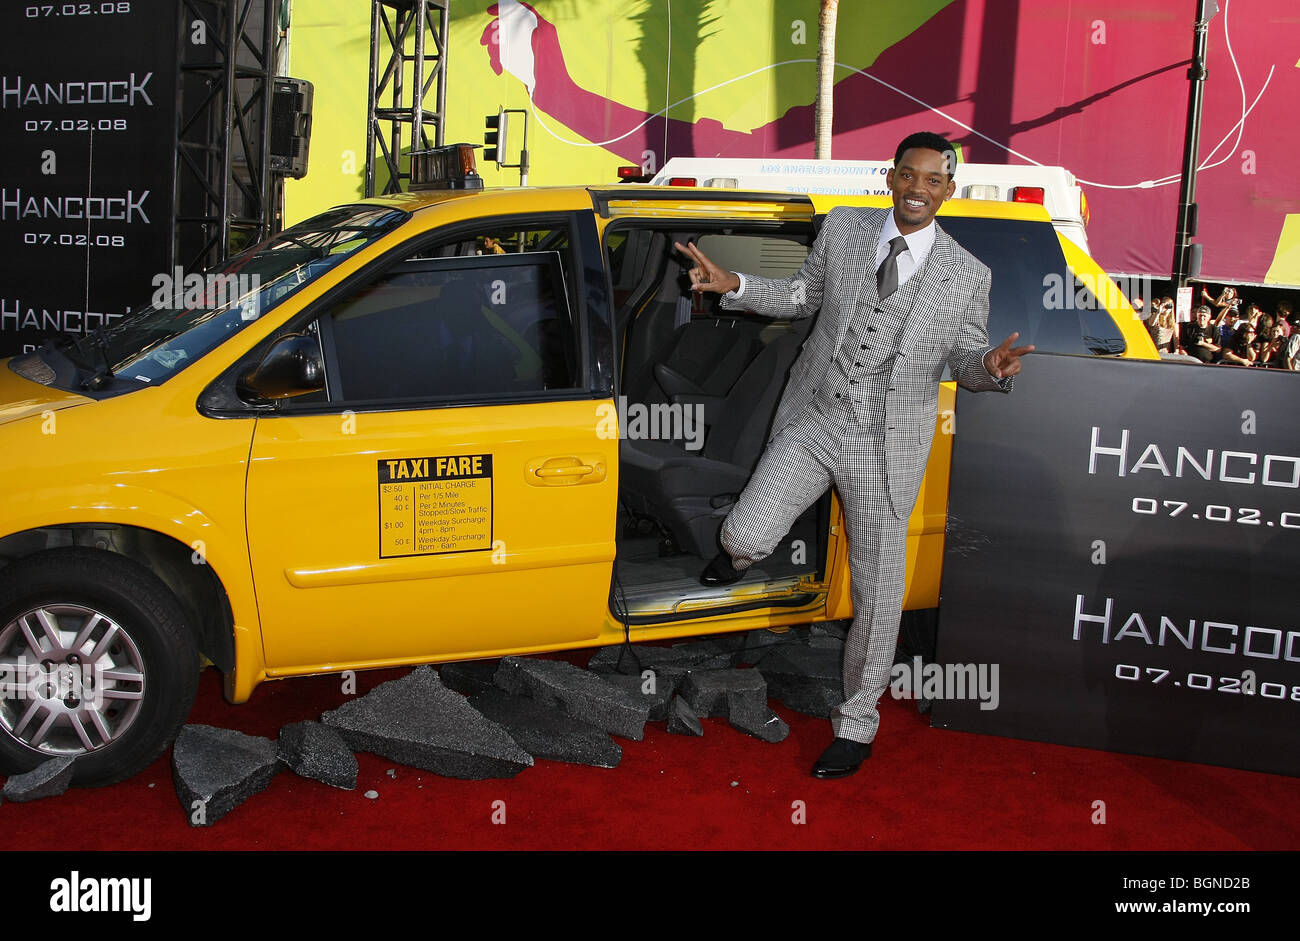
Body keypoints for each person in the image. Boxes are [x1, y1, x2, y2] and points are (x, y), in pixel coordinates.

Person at [674, 131, 1032, 779]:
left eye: (933, 180)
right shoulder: (843, 229)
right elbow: (802, 298)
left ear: (948, 190)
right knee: (745, 529)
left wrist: (990, 366)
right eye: (908, 175)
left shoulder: (966, 273)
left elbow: (963, 357)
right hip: (817, 416)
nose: (918, 189)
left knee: (878, 593)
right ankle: (738, 556)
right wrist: (735, 283)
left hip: (885, 444)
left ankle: (858, 722)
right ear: (890, 177)